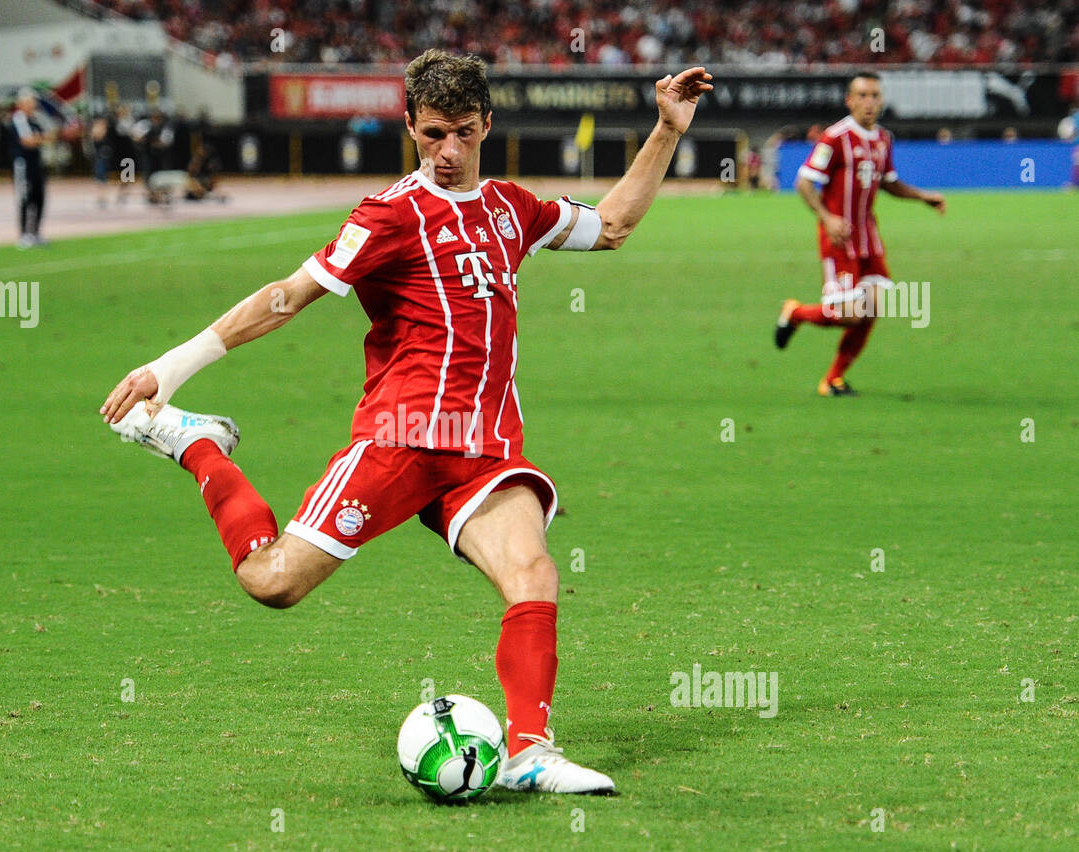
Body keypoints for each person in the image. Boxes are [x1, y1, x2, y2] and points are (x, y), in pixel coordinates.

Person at [99, 51, 712, 794]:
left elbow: (611, 225)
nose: (446, 153)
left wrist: (666, 130)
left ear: (486, 124)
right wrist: (169, 369)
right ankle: (194, 441)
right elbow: (290, 295)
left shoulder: (513, 208)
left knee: (534, 573)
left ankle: (530, 752)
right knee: (273, 582)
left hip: (483, 452)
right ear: (411, 129)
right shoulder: (390, 214)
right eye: (430, 135)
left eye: (460, 133)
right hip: (400, 442)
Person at [774, 72, 946, 396]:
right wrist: (827, 218)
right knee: (850, 314)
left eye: (875, 96)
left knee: (874, 308)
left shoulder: (883, 139)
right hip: (838, 238)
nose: (869, 102)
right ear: (849, 100)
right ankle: (796, 312)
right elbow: (804, 182)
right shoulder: (834, 138)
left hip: (869, 237)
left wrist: (924, 197)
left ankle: (833, 379)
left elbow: (890, 183)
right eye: (863, 95)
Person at [10, 88, 48, 249]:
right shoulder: (19, 119)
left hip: (36, 163)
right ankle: (24, 234)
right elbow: (28, 141)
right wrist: (40, 139)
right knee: (25, 198)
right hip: (23, 165)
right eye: (30, 101)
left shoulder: (35, 120)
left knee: (40, 197)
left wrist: (40, 138)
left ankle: (36, 232)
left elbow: (46, 137)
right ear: (22, 103)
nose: (33, 104)